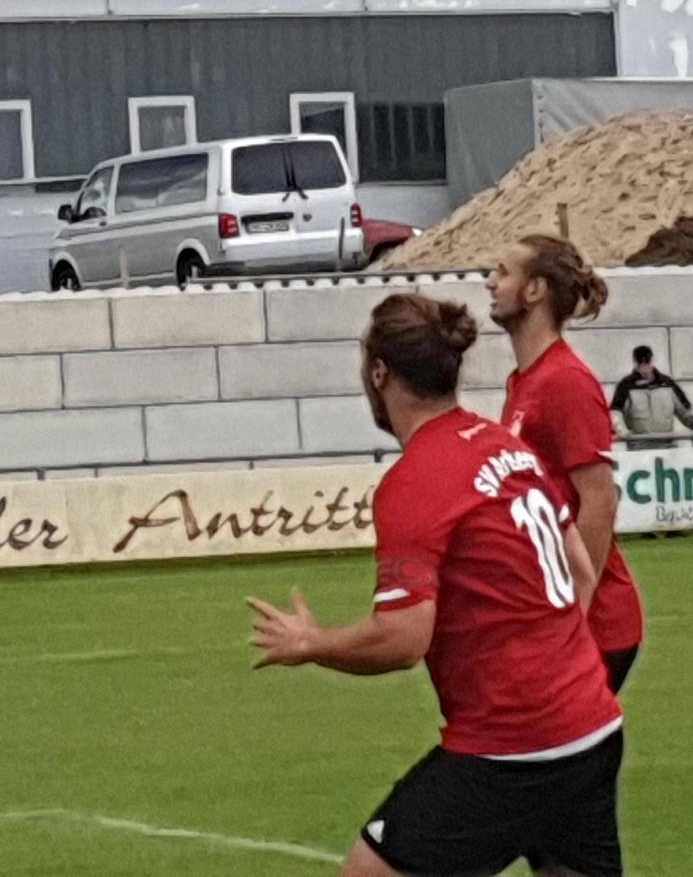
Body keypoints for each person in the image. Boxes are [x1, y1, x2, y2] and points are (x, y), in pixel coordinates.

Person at [249, 293, 623, 877]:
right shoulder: (506, 445)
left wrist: (314, 642)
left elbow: (403, 639)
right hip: (591, 725)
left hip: (510, 749)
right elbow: (578, 568)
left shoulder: (416, 480)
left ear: (379, 373)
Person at [489, 235, 646, 691]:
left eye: (502, 272)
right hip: (552, 618)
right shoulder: (525, 381)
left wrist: (575, 608)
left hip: (594, 625)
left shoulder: (566, 382)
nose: (490, 283)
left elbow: (599, 500)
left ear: (534, 290)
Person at [611, 344, 693, 439]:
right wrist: (622, 432)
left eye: (647, 361)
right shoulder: (625, 386)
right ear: (634, 362)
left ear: (652, 360)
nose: (644, 365)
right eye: (640, 362)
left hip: (667, 444)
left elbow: (685, 412)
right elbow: (616, 413)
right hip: (638, 445)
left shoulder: (668, 384)